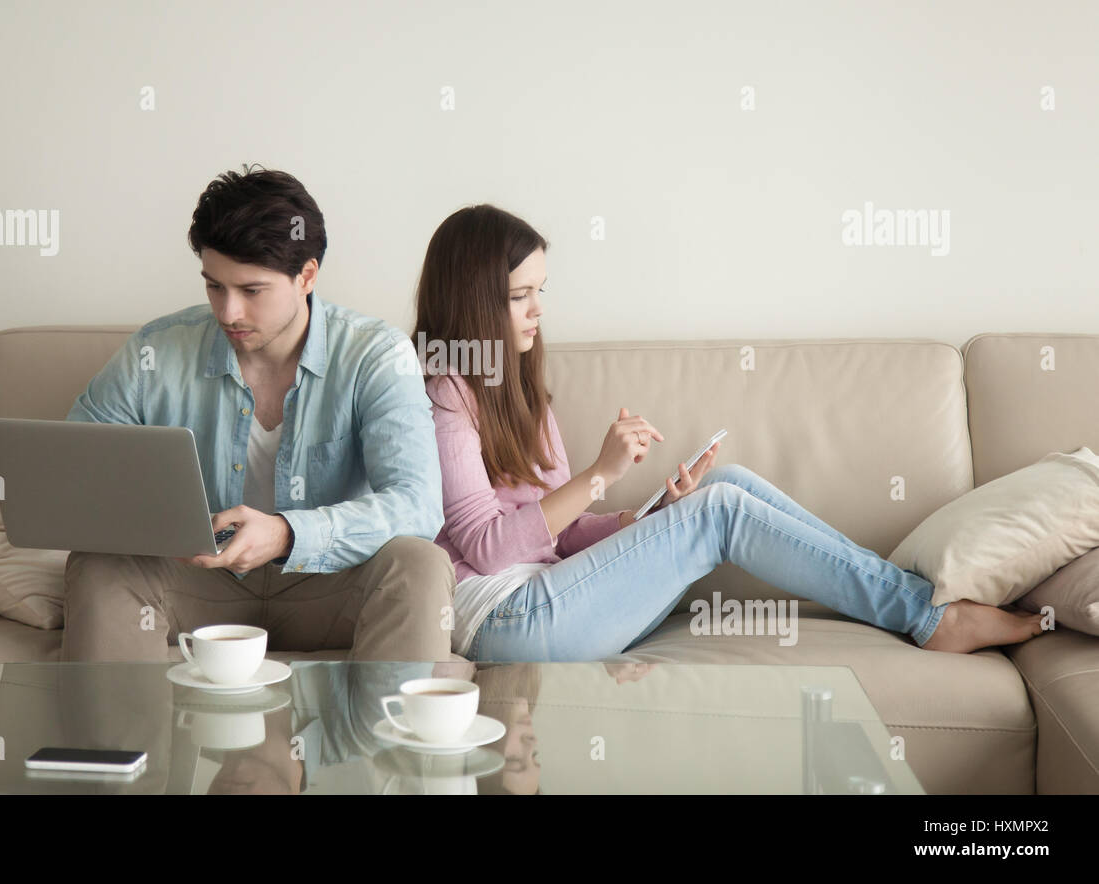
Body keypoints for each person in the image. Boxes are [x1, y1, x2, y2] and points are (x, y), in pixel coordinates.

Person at [412, 203, 1047, 663]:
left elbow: (560, 533)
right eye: (521, 295)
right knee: (720, 513)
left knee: (725, 485)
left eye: (541, 291)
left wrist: (646, 520)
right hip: (506, 619)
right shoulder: (445, 394)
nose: (539, 310)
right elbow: (492, 548)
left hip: (558, 594)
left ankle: (910, 599)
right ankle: (930, 617)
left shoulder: (522, 390)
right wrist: (599, 475)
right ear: (474, 302)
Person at [60, 165, 455, 663]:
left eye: (251, 291)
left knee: (418, 562)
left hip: (328, 586)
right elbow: (71, 469)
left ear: (306, 275)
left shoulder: (375, 355)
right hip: (197, 582)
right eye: (214, 287)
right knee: (98, 565)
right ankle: (119, 744)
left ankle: (389, 742)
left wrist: (288, 533)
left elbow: (418, 504)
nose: (228, 312)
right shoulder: (154, 352)